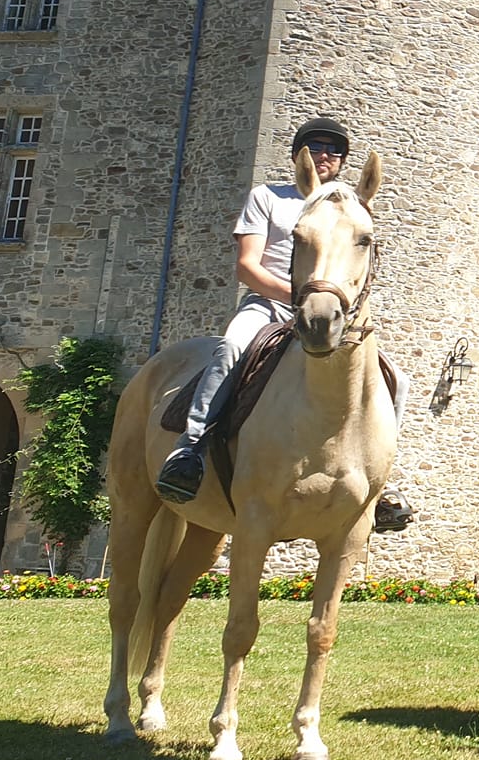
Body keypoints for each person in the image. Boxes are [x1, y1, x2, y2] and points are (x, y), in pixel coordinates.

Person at [155, 116, 413, 533]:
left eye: (334, 149)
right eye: (314, 147)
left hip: (331, 312)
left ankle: (379, 480)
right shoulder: (268, 197)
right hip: (271, 306)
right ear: (298, 156)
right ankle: (190, 448)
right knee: (230, 349)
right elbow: (247, 267)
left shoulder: (347, 205)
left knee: (395, 380)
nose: (324, 155)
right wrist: (300, 301)